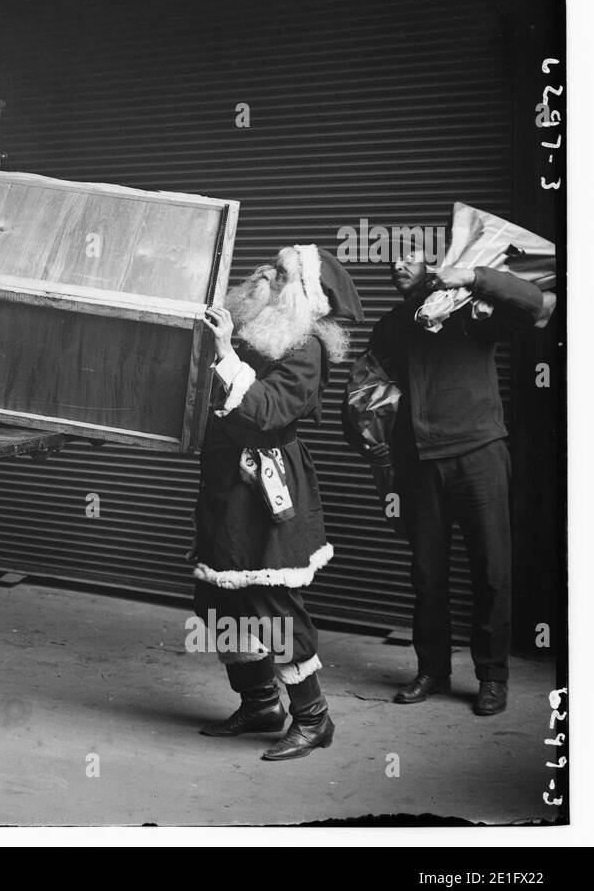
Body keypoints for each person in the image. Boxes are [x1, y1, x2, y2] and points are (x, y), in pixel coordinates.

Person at [346, 246, 543, 716]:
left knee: (492, 572)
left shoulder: (471, 310)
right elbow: (369, 392)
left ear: (435, 265)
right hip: (419, 463)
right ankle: (432, 671)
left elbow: (534, 303)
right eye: (392, 260)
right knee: (427, 576)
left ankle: (492, 676)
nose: (398, 265)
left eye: (410, 259)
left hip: (479, 453)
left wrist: (473, 275)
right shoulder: (393, 324)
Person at [195, 244, 363, 761]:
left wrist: (223, 355)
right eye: (272, 264)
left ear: (306, 296)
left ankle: (314, 718)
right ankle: (261, 702)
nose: (267, 271)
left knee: (273, 604)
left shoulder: (306, 345)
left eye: (283, 272)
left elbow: (265, 412)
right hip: (227, 481)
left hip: (270, 489)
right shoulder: (251, 332)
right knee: (222, 601)